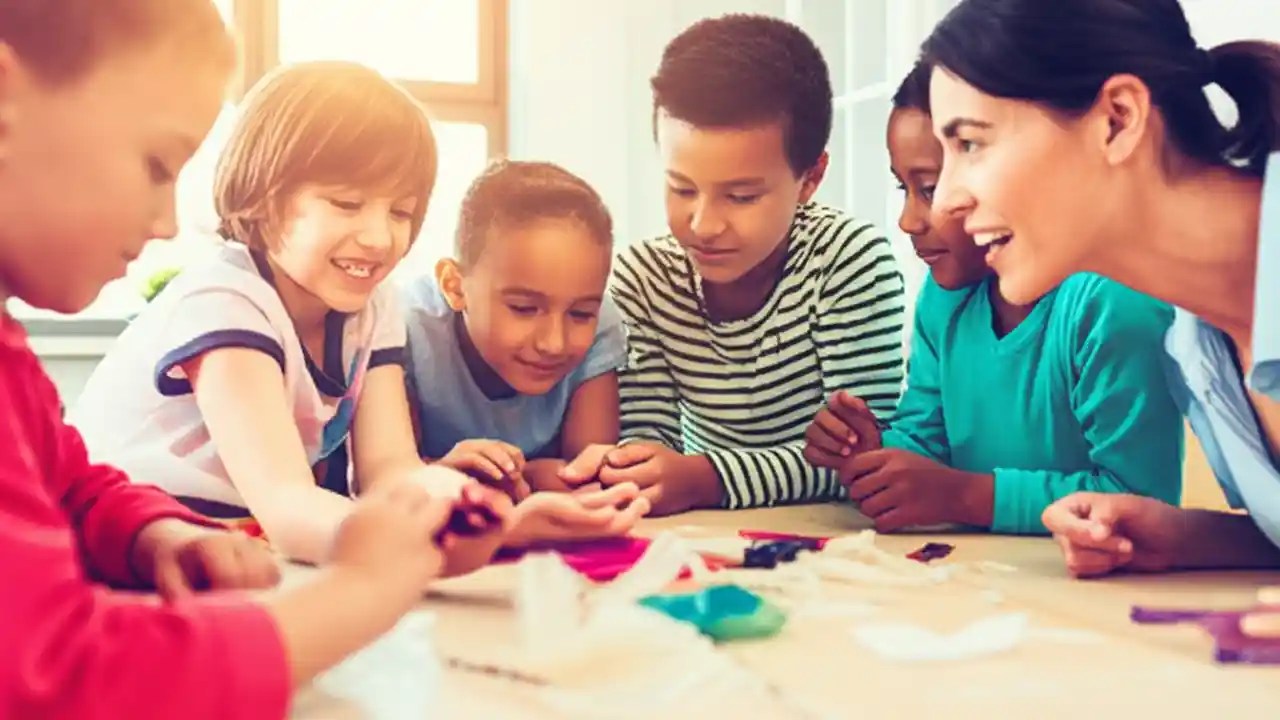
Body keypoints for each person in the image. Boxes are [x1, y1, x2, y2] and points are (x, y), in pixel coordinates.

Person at [0, 2, 482, 717]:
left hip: (205, 544)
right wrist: (363, 590)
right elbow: (61, 677)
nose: (167, 223)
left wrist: (149, 534)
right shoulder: (224, 296)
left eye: (401, 211)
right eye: (157, 165)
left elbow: (71, 482)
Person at [71, 63, 642, 569]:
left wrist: (485, 512)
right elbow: (288, 504)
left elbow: (389, 471)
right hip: (128, 545)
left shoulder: (373, 306)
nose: (378, 237)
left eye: (401, 211)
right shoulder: (226, 301)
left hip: (244, 543)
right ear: (266, 197)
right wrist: (478, 538)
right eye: (346, 203)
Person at [918, 0, 1280, 594]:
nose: (945, 203)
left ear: (1117, 119)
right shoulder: (1194, 345)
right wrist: (1186, 536)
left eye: (971, 144)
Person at [803, 62, 1183, 535]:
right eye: (905, 188)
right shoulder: (944, 300)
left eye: (930, 189)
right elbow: (927, 444)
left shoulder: (1111, 303)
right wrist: (871, 456)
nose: (907, 220)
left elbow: (1142, 500)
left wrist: (965, 496)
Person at [601, 14, 907, 515]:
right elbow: (648, 447)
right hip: (703, 533)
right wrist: (656, 470)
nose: (703, 224)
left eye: (741, 196)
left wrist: (705, 479)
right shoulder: (643, 278)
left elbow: (862, 460)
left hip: (829, 535)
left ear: (810, 179)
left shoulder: (849, 261)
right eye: (681, 188)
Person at [403, 160, 634, 500]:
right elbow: (385, 480)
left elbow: (588, 473)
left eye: (581, 313)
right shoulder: (406, 329)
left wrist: (516, 475)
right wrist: (445, 473)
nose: (553, 343)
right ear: (454, 286)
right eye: (524, 309)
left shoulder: (602, 324)